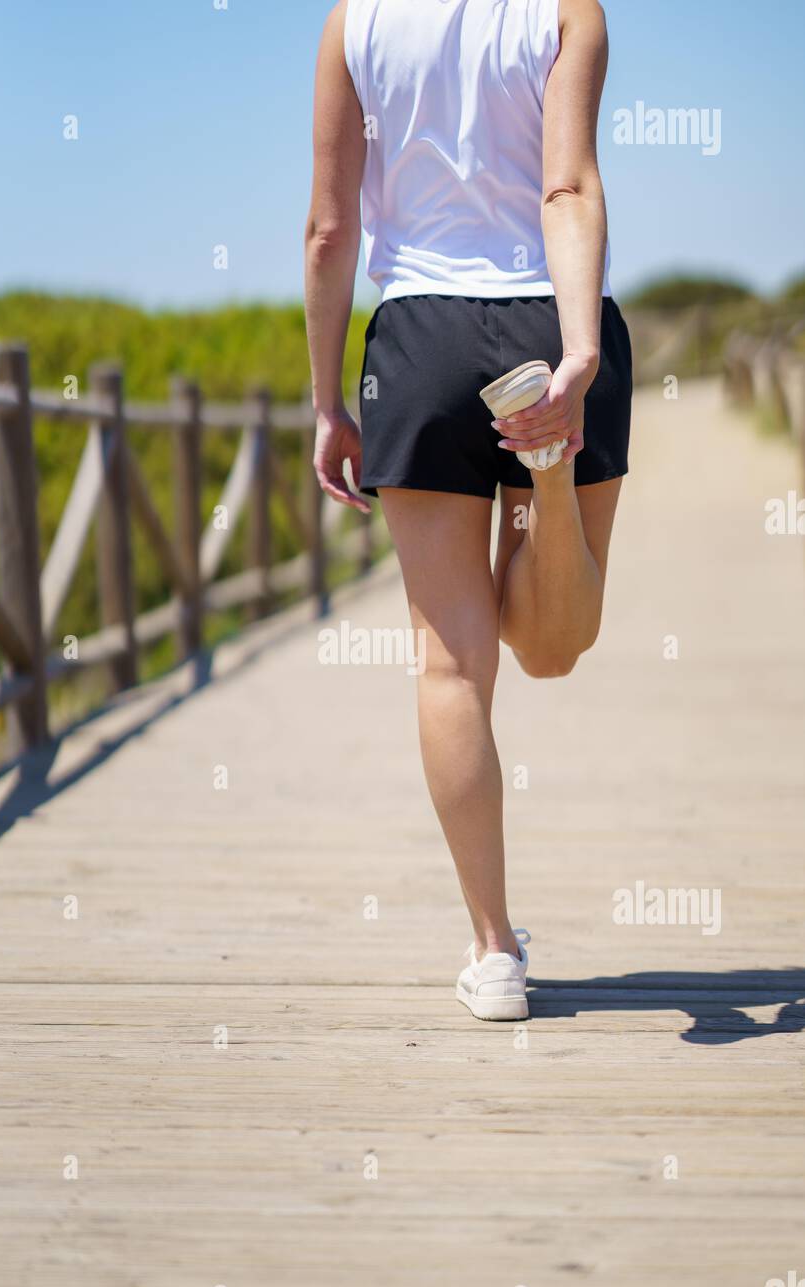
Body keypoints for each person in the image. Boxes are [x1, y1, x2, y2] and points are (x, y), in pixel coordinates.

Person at [304, 0, 632, 1021]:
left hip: (418, 347)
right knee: (548, 648)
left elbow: (329, 225)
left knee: (451, 664)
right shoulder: (565, 11)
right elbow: (565, 182)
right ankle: (541, 471)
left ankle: (492, 954)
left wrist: (326, 400)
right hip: (546, 317)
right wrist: (575, 352)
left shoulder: (352, 23)